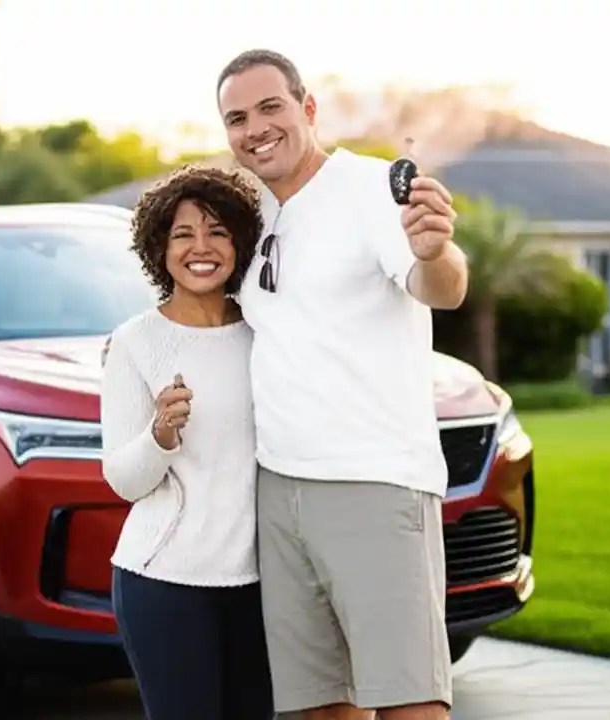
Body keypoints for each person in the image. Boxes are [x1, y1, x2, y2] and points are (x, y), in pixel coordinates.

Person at [216, 49, 469, 720]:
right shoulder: (253, 217)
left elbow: (439, 287)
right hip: (278, 487)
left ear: (307, 109)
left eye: (270, 107)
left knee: (409, 701)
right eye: (236, 118)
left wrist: (436, 249)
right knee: (317, 706)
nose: (255, 128)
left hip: (373, 482)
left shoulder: (371, 188)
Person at [99, 164, 275, 720]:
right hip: (165, 581)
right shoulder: (136, 342)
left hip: (260, 582)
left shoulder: (266, 333)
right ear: (160, 247)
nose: (202, 247)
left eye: (218, 231)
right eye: (183, 234)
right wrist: (159, 435)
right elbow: (124, 481)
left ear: (241, 243)